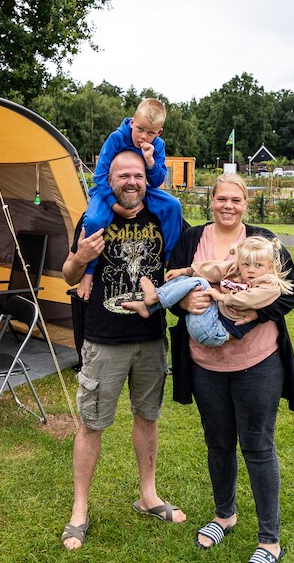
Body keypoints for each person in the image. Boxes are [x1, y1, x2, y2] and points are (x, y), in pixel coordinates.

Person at [169, 173, 294, 563]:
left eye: (236, 200)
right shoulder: (192, 239)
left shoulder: (265, 241)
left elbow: (290, 294)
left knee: (258, 446)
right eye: (221, 198)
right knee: (218, 443)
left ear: (246, 204)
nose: (228, 206)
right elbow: (176, 285)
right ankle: (224, 515)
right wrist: (183, 306)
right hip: (205, 364)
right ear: (210, 200)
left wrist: (249, 314)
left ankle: (269, 540)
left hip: (257, 363)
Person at [60, 149, 186, 551]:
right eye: (122, 175)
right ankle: (79, 509)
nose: (131, 181)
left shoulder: (163, 216)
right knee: (92, 424)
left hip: (150, 339)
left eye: (137, 174)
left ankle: (148, 495)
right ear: (109, 180)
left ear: (147, 178)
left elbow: (182, 266)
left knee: (147, 418)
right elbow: (69, 273)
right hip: (104, 339)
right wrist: (81, 258)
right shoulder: (95, 216)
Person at [75, 98, 183, 300]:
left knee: (172, 205)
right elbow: (99, 176)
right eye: (140, 129)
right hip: (107, 190)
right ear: (132, 122)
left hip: (142, 189)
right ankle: (89, 272)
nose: (143, 137)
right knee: (94, 221)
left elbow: (157, 180)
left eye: (150, 133)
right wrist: (115, 205)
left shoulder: (157, 145)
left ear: (158, 133)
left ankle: (170, 262)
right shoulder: (116, 138)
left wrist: (150, 160)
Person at [120, 235, 294, 347]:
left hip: (216, 332)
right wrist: (185, 271)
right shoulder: (237, 269)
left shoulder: (269, 283)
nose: (250, 270)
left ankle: (155, 296)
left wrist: (220, 296)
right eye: (246, 264)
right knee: (188, 280)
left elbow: (247, 299)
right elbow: (215, 268)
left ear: (269, 266)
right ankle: (149, 307)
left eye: (258, 265)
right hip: (209, 322)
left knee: (201, 283)